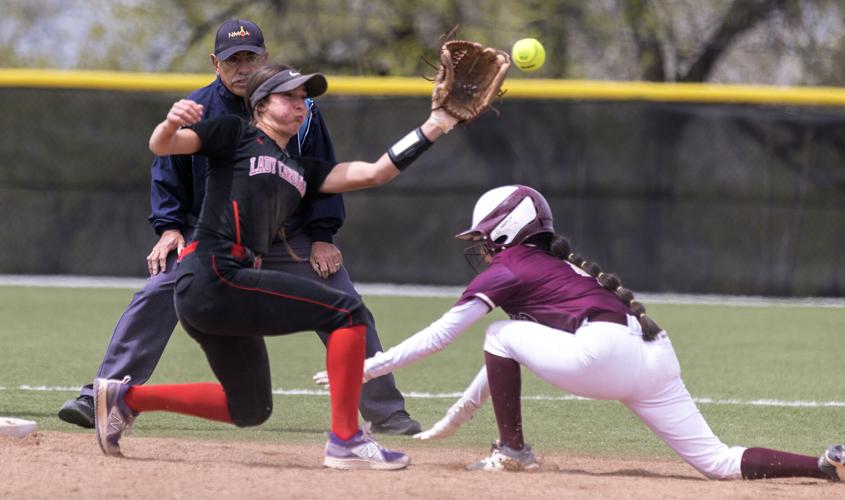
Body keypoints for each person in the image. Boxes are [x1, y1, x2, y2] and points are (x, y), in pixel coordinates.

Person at [315, 184, 845, 480]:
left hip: (603, 355)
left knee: (501, 335)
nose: (483, 247)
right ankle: (826, 467)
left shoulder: (509, 268)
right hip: (655, 355)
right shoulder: (563, 267)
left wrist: (362, 370)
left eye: (486, 236)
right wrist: (450, 424)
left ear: (505, 228)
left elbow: (441, 338)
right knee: (717, 462)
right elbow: (511, 349)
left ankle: (513, 452)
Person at [57, 18, 420, 436]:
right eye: (233, 60)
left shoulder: (300, 109)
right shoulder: (201, 108)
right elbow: (166, 165)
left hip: (289, 237)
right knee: (158, 291)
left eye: (251, 57)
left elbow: (325, 171)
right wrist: (169, 227)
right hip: (215, 237)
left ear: (264, 60)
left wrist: (323, 236)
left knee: (344, 300)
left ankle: (386, 412)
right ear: (216, 63)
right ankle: (101, 393)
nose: (242, 67)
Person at [93, 63, 461, 470]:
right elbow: (164, 146)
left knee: (249, 408)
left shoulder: (302, 168)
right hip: (213, 272)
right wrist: (169, 123)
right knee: (347, 312)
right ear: (261, 103)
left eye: (304, 98)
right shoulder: (234, 134)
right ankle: (346, 440)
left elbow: (375, 173)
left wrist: (437, 124)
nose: (301, 104)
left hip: (222, 292)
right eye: (290, 96)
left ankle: (126, 399)